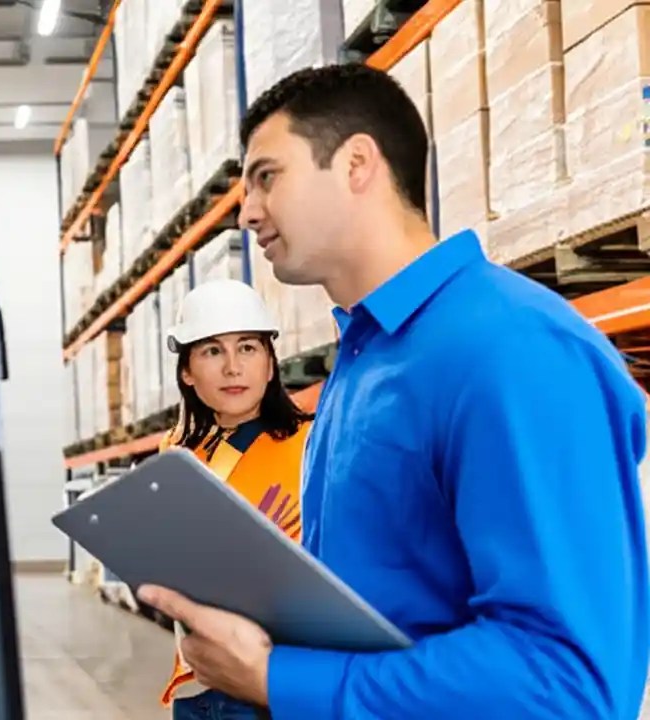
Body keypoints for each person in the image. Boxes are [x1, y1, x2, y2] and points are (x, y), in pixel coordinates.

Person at [138, 63, 650, 718]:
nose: (247, 213)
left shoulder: (512, 350)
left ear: (357, 164)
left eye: (267, 177)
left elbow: (563, 682)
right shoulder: (368, 359)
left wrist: (276, 678)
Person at [155, 278, 312, 719]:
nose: (232, 368)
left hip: (278, 680)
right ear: (187, 371)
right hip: (199, 682)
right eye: (211, 351)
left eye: (247, 348)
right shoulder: (175, 453)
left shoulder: (313, 442)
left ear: (270, 363)